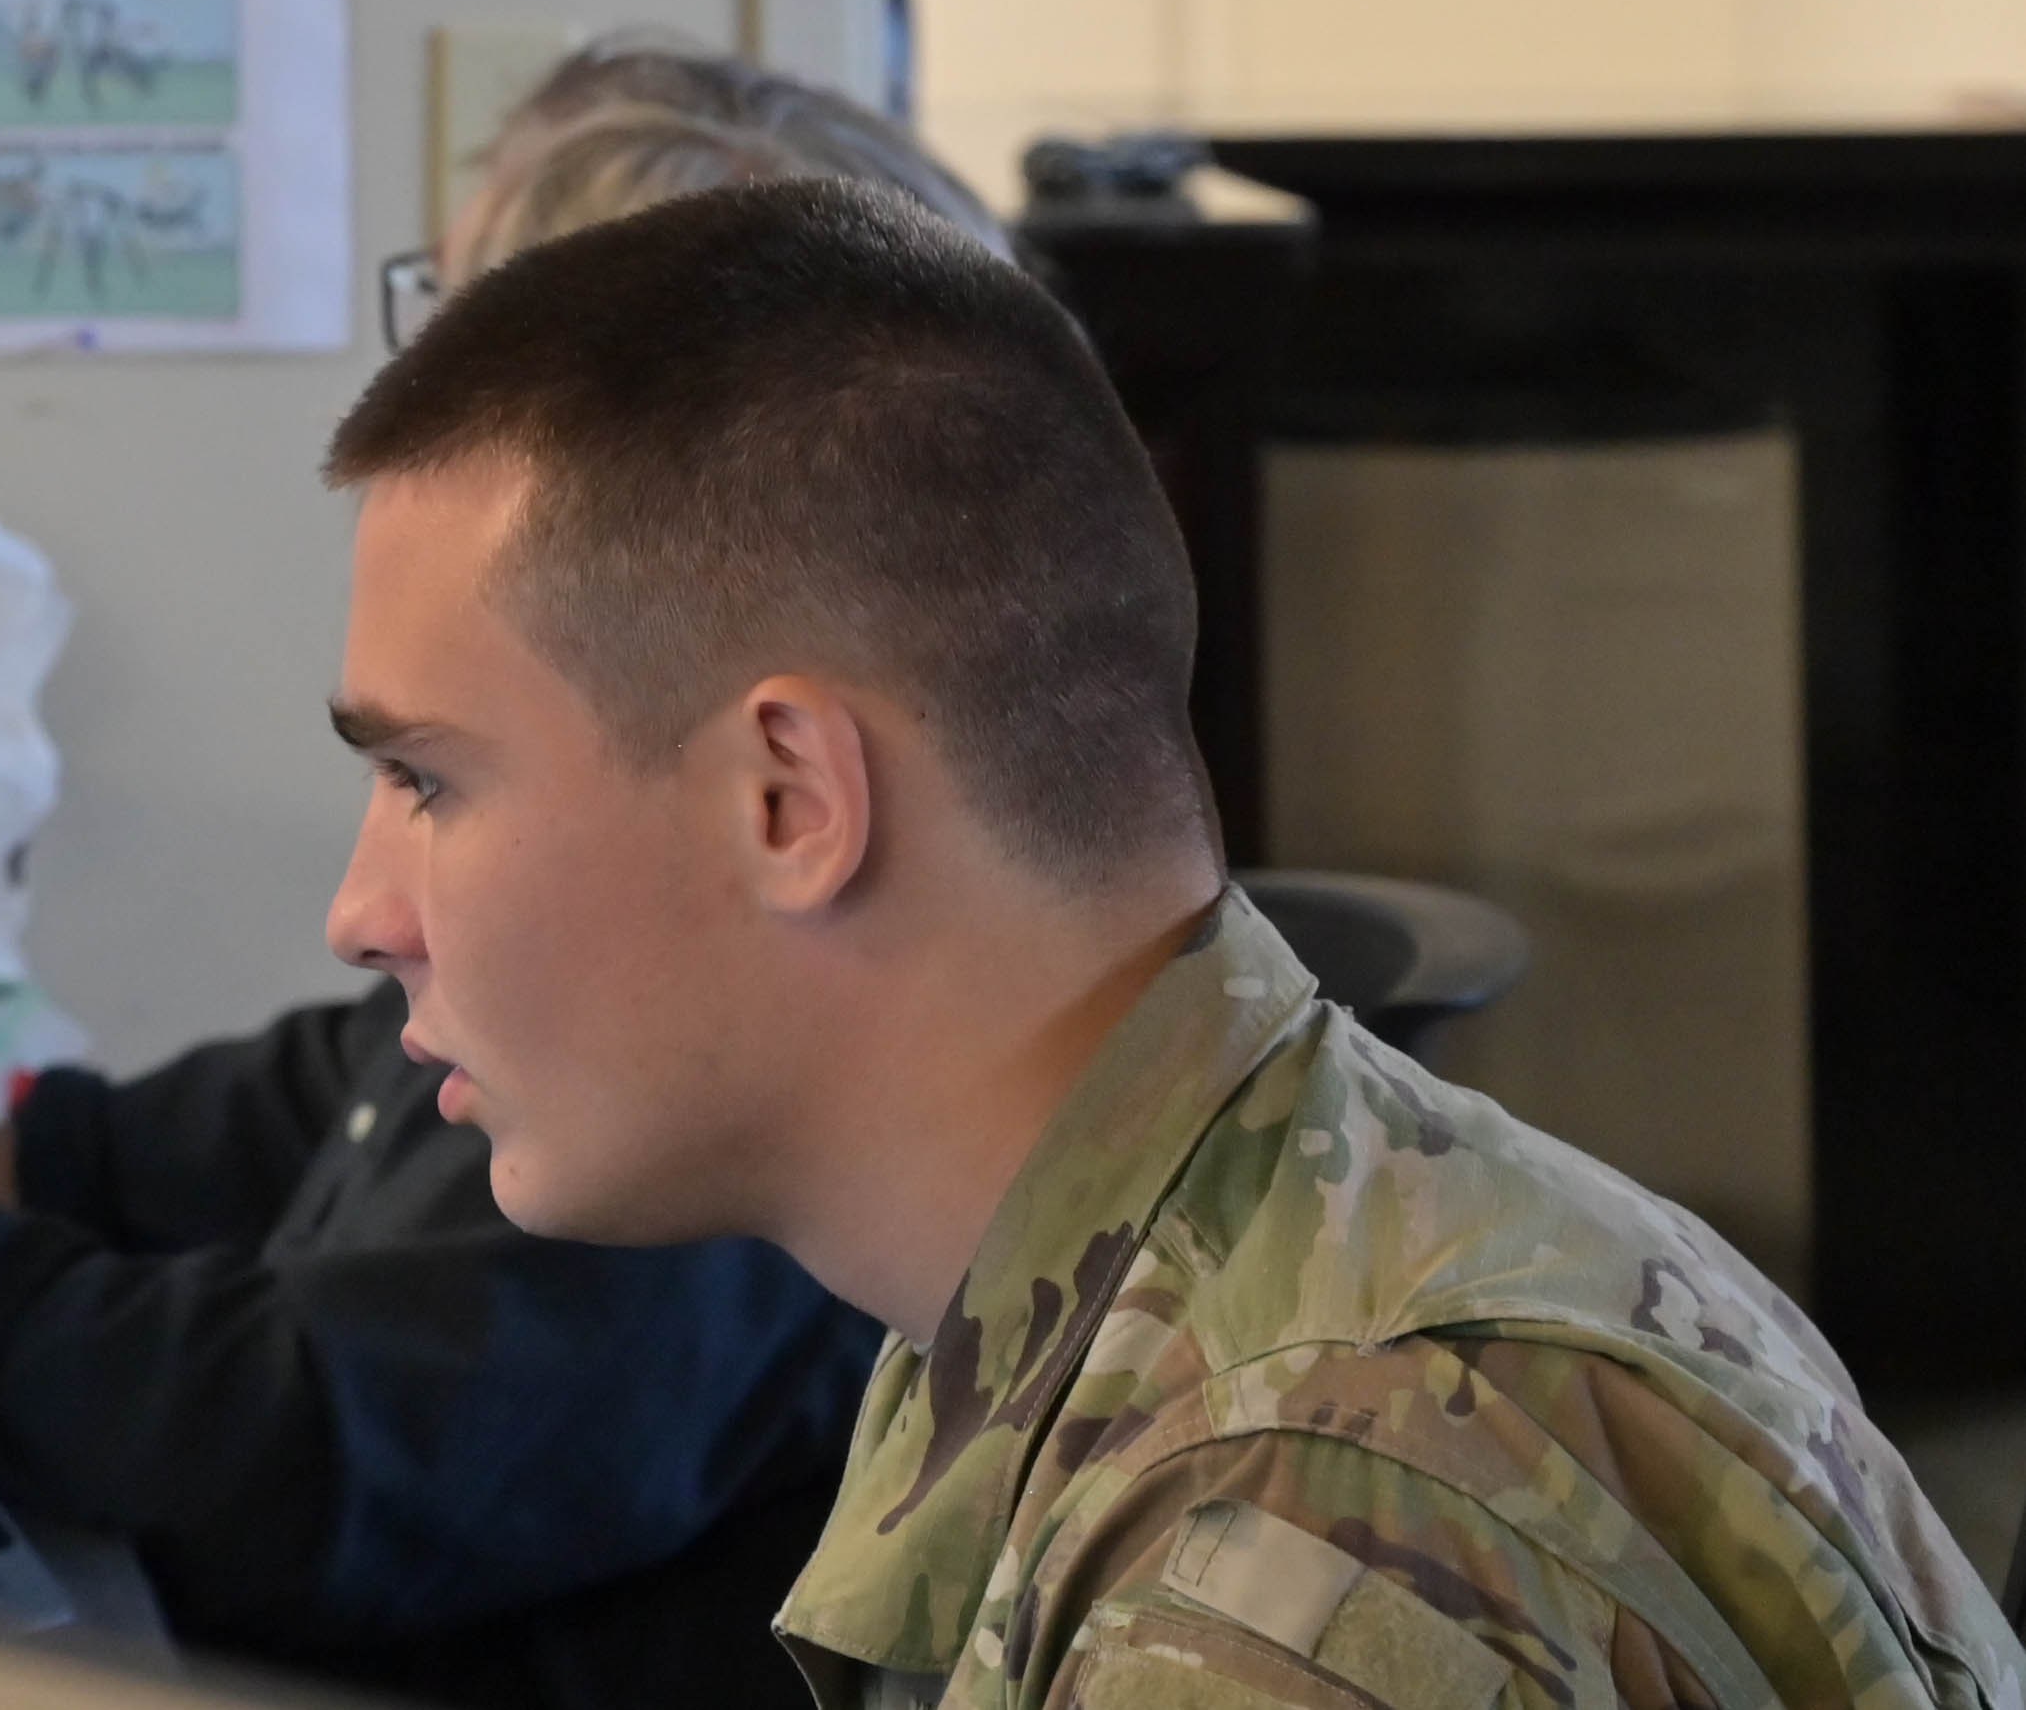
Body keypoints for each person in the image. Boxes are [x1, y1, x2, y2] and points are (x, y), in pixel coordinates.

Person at [319, 179, 2019, 1710]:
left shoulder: (1293, 1542)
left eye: (427, 780)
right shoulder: (1128, 1285)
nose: (362, 916)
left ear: (788, 799)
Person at [0, 36, 1000, 1710]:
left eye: (449, 334)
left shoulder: (758, 1018)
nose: (370, 914)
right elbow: (281, 1112)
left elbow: (336, 1461)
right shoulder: (634, 929)